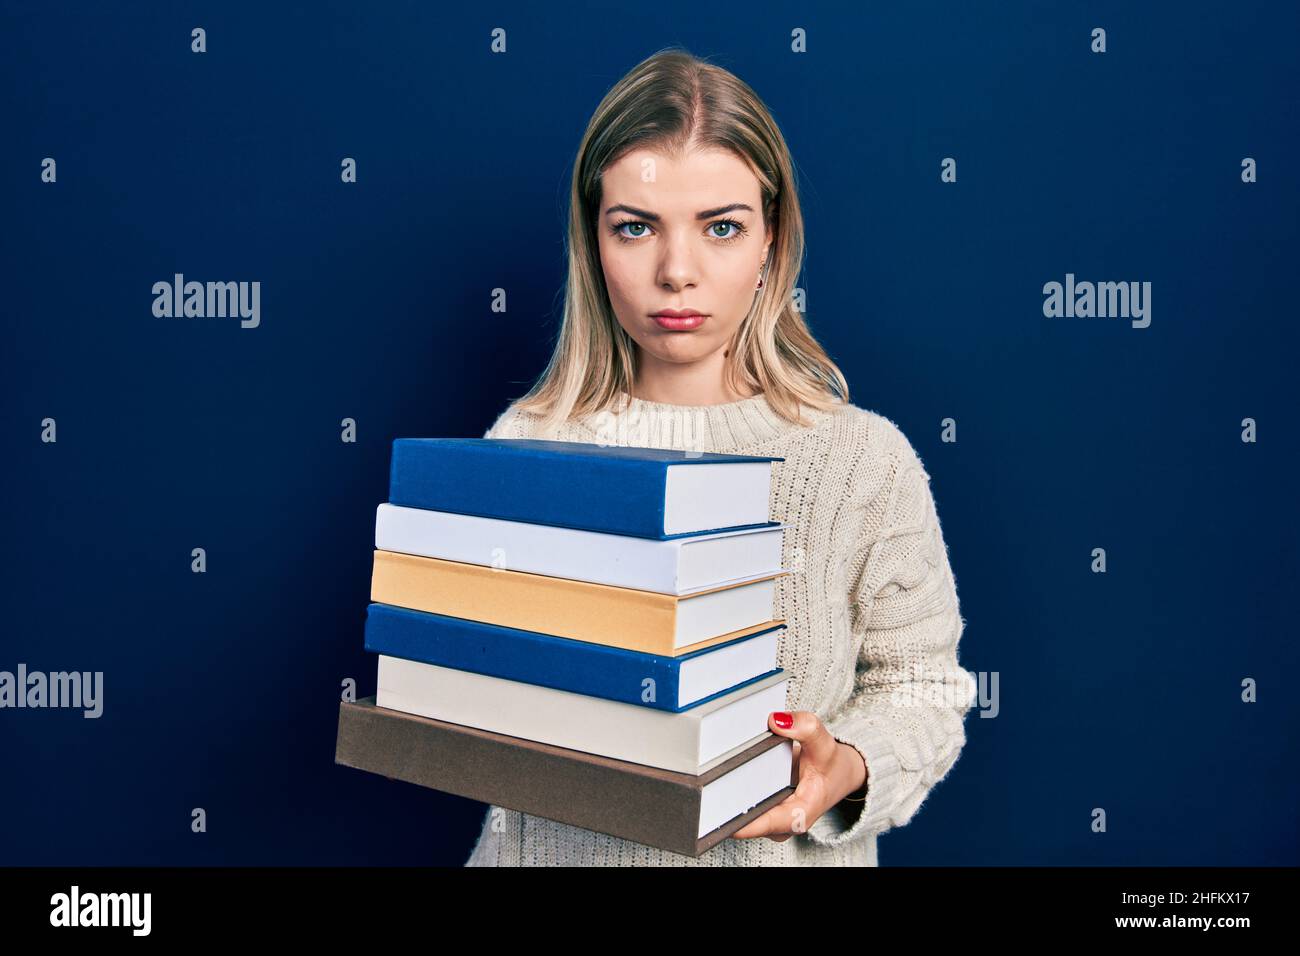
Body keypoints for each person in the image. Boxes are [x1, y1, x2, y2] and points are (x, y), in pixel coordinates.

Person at [465, 46, 976, 867]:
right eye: (635, 227)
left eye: (722, 228)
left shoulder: (862, 461)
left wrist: (843, 767)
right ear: (592, 241)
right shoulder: (522, 447)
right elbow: (474, 705)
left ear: (772, 240)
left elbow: (924, 687)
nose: (677, 273)